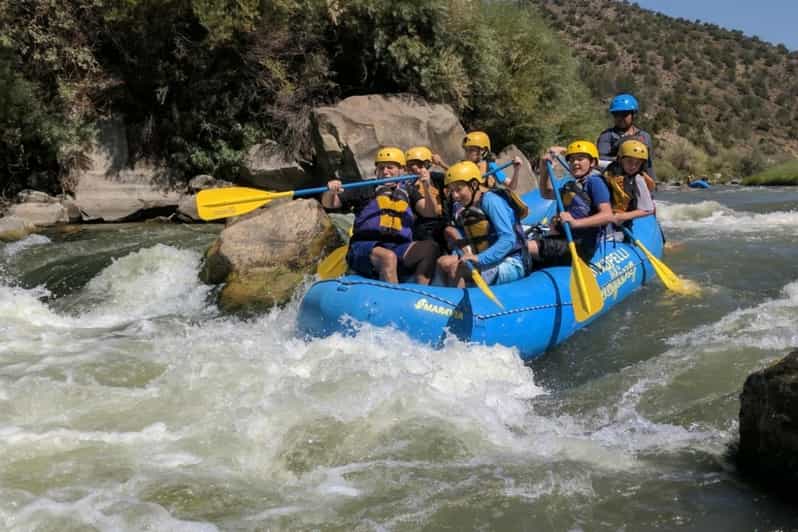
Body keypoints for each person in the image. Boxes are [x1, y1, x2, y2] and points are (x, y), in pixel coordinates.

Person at [320, 147, 439, 284]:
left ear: (401, 170)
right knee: (388, 257)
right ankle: (392, 295)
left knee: (430, 248)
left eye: (390, 167)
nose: (385, 172)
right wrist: (330, 192)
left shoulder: (409, 192)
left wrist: (426, 186)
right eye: (381, 168)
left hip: (398, 246)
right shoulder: (366, 187)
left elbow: (430, 212)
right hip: (364, 247)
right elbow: (330, 204)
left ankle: (420, 291)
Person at [436, 161, 529, 287]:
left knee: (457, 269)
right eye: (451, 191)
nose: (455, 195)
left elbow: (508, 239)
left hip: (512, 261)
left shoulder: (491, 201)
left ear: (474, 185)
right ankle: (438, 296)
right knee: (443, 262)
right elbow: (482, 236)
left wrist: (479, 259)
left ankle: (456, 299)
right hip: (492, 258)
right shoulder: (470, 205)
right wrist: (462, 242)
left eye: (458, 189)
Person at [527, 140, 614, 267]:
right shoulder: (572, 185)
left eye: (580, 159)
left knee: (524, 246)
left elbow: (607, 215)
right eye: (572, 160)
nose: (575, 163)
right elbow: (546, 193)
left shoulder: (595, 182)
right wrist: (544, 169)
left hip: (579, 245)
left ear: (592, 163)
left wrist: (575, 223)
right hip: (563, 239)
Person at [433, 131, 523, 190]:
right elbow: (453, 174)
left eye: (471, 150)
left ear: (483, 151)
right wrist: (441, 163)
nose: (467, 153)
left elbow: (512, 186)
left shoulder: (490, 166)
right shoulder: (463, 165)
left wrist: (516, 170)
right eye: (466, 150)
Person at [597, 93, 656, 180]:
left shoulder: (645, 136)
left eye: (624, 114)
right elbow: (601, 161)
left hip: (637, 180)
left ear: (633, 115)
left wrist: (652, 184)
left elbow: (649, 165)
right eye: (616, 114)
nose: (620, 118)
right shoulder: (606, 135)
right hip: (613, 179)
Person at [603, 139, 656, 226]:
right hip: (606, 213)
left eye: (638, 163)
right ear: (620, 160)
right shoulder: (610, 170)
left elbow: (648, 210)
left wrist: (621, 217)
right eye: (629, 161)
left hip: (623, 219)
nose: (633, 166)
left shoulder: (639, 179)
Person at [404, 146, 448, 249]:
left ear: (426, 164)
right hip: (425, 225)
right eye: (409, 165)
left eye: (417, 164)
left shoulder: (436, 177)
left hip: (444, 221)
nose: (413, 168)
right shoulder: (409, 185)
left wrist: (441, 164)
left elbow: (457, 178)